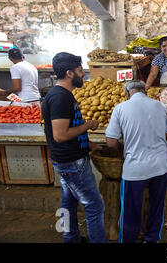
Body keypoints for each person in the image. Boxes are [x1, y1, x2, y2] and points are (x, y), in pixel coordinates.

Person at [41, 52, 108, 243]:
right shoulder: (61, 98)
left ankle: (71, 238)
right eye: (80, 71)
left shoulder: (63, 95)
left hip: (69, 159)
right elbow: (60, 135)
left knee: (69, 202)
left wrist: (88, 144)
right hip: (71, 162)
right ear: (70, 73)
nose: (83, 75)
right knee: (95, 205)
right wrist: (87, 126)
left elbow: (68, 131)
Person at [105, 80, 167, 243]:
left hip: (135, 169)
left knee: (130, 211)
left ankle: (129, 240)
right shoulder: (160, 107)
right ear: (145, 91)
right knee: (157, 207)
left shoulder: (120, 108)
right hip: (160, 167)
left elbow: (110, 142)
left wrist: (124, 144)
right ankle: (151, 239)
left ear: (128, 93)